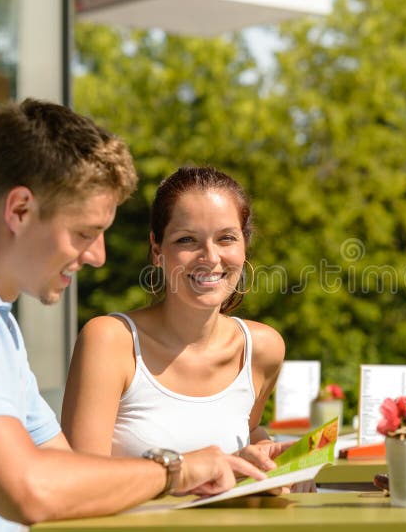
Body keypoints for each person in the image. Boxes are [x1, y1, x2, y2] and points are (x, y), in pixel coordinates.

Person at [0, 100, 264, 531]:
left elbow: (63, 470)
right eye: (85, 233)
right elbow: (30, 490)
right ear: (19, 211)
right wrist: (176, 469)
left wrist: (212, 470)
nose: (98, 256)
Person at [61, 166, 289, 473]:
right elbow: (80, 480)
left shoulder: (263, 349)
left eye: (226, 238)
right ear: (157, 250)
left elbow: (247, 431)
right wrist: (185, 473)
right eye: (187, 240)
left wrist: (265, 450)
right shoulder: (110, 341)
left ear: (244, 245)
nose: (210, 257)